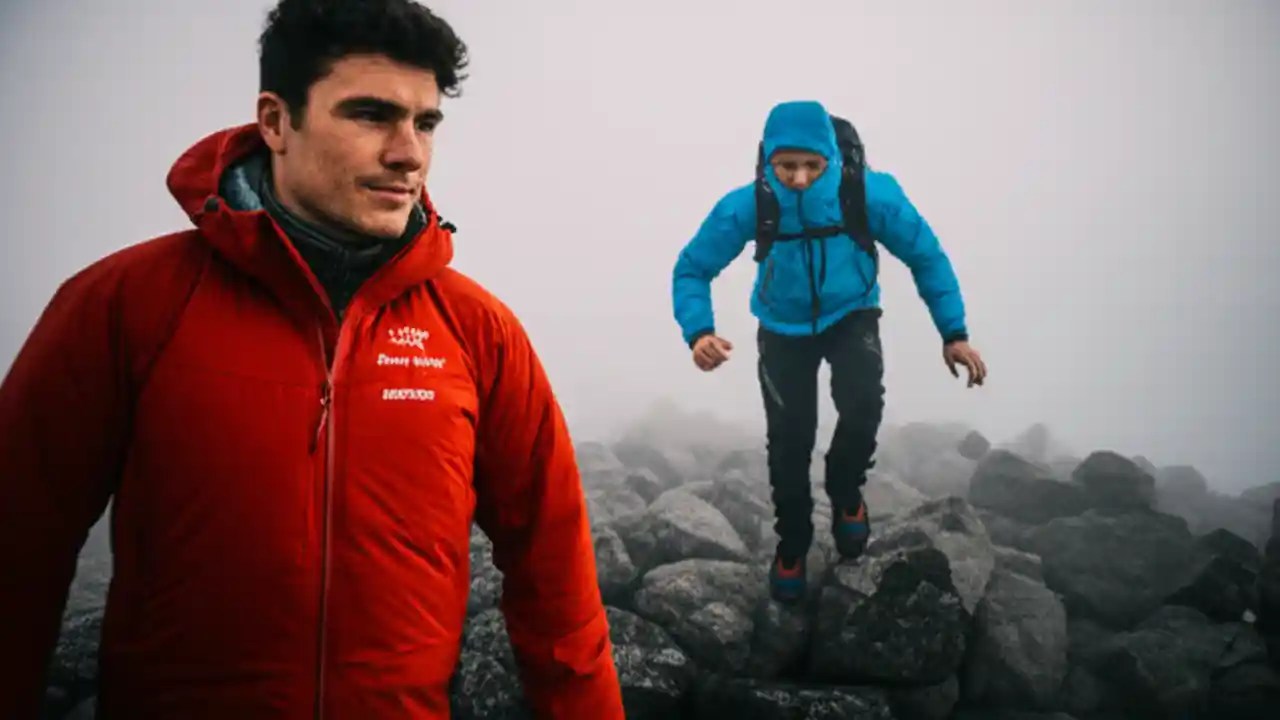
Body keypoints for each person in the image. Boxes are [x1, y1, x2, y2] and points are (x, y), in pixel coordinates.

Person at [0, 1, 625, 717]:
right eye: (371, 115)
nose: (409, 152)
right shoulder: (125, 305)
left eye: (425, 123)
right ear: (275, 122)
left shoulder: (476, 329)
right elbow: (17, 551)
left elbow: (557, 579)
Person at [671, 99, 987, 604]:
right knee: (790, 440)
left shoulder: (867, 194)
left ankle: (846, 495)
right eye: (785, 166)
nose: (797, 178)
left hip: (851, 312)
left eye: (811, 166)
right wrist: (698, 331)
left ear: (830, 161)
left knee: (863, 405)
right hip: (780, 327)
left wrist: (954, 333)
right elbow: (692, 267)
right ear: (767, 161)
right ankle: (793, 545)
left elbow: (926, 255)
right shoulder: (750, 204)